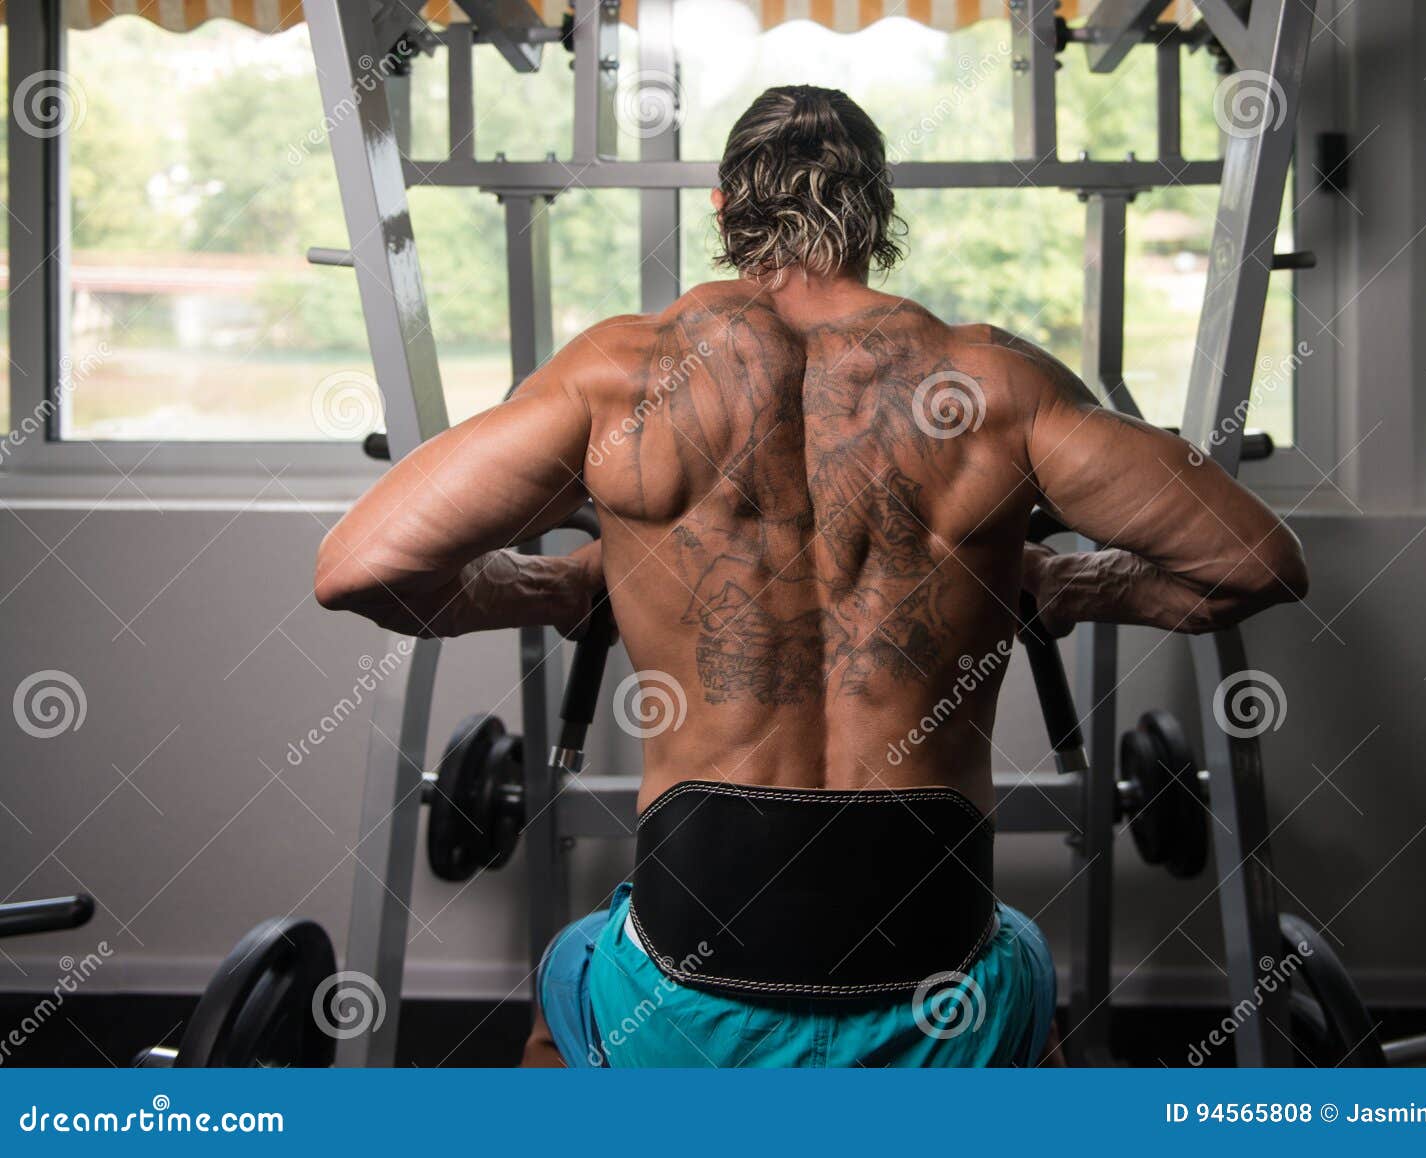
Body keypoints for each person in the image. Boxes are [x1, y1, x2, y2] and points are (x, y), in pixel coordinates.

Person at [314, 84, 1308, 1068]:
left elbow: (360, 570)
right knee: (1027, 974)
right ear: (877, 210)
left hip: (679, 1003)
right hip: (940, 1001)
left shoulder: (622, 375)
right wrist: (1061, 584)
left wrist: (562, 588)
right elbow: (1256, 566)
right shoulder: (994, 384)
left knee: (569, 971)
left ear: (722, 208)